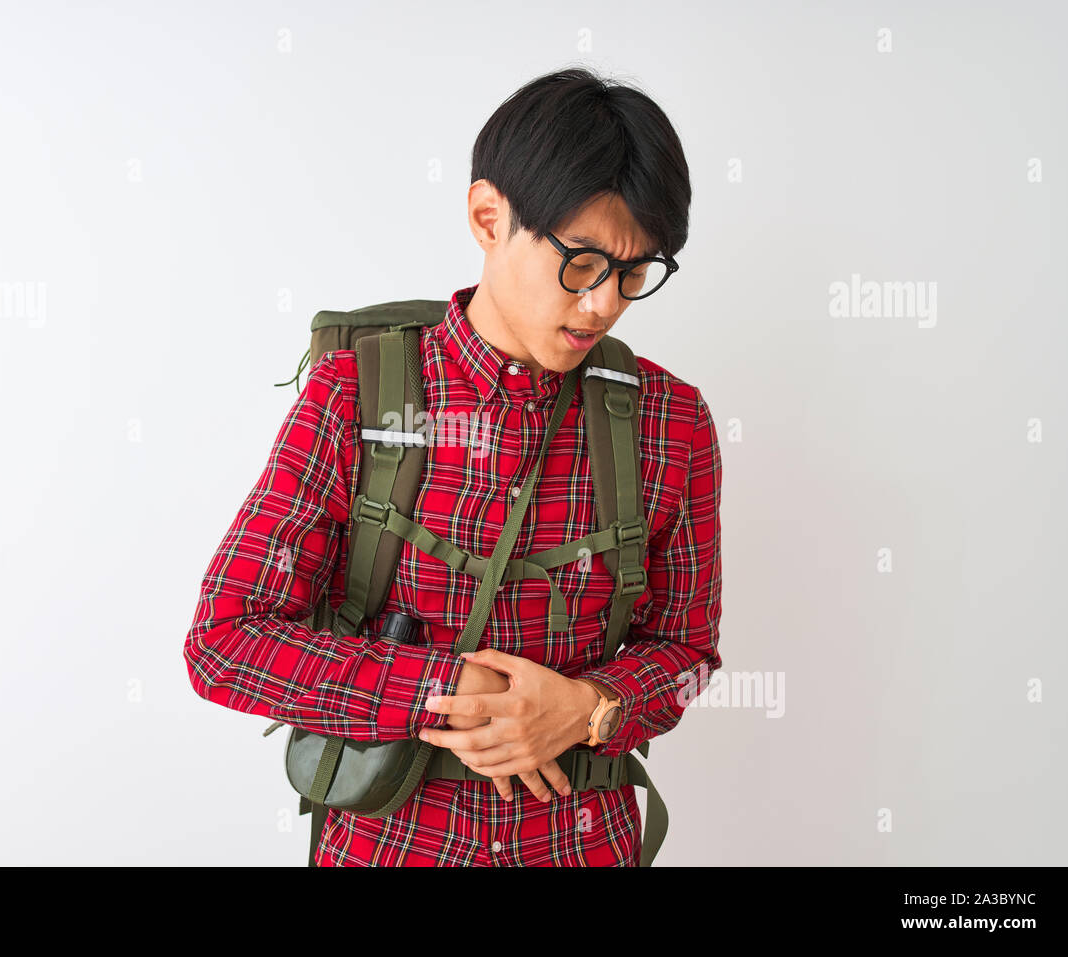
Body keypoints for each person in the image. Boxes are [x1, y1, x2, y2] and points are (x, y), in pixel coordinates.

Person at [183, 65, 723, 866]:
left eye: (635, 271)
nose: (605, 303)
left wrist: (592, 707)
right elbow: (225, 642)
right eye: (581, 262)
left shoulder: (673, 421)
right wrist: (443, 690)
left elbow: (688, 655)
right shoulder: (356, 395)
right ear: (487, 216)